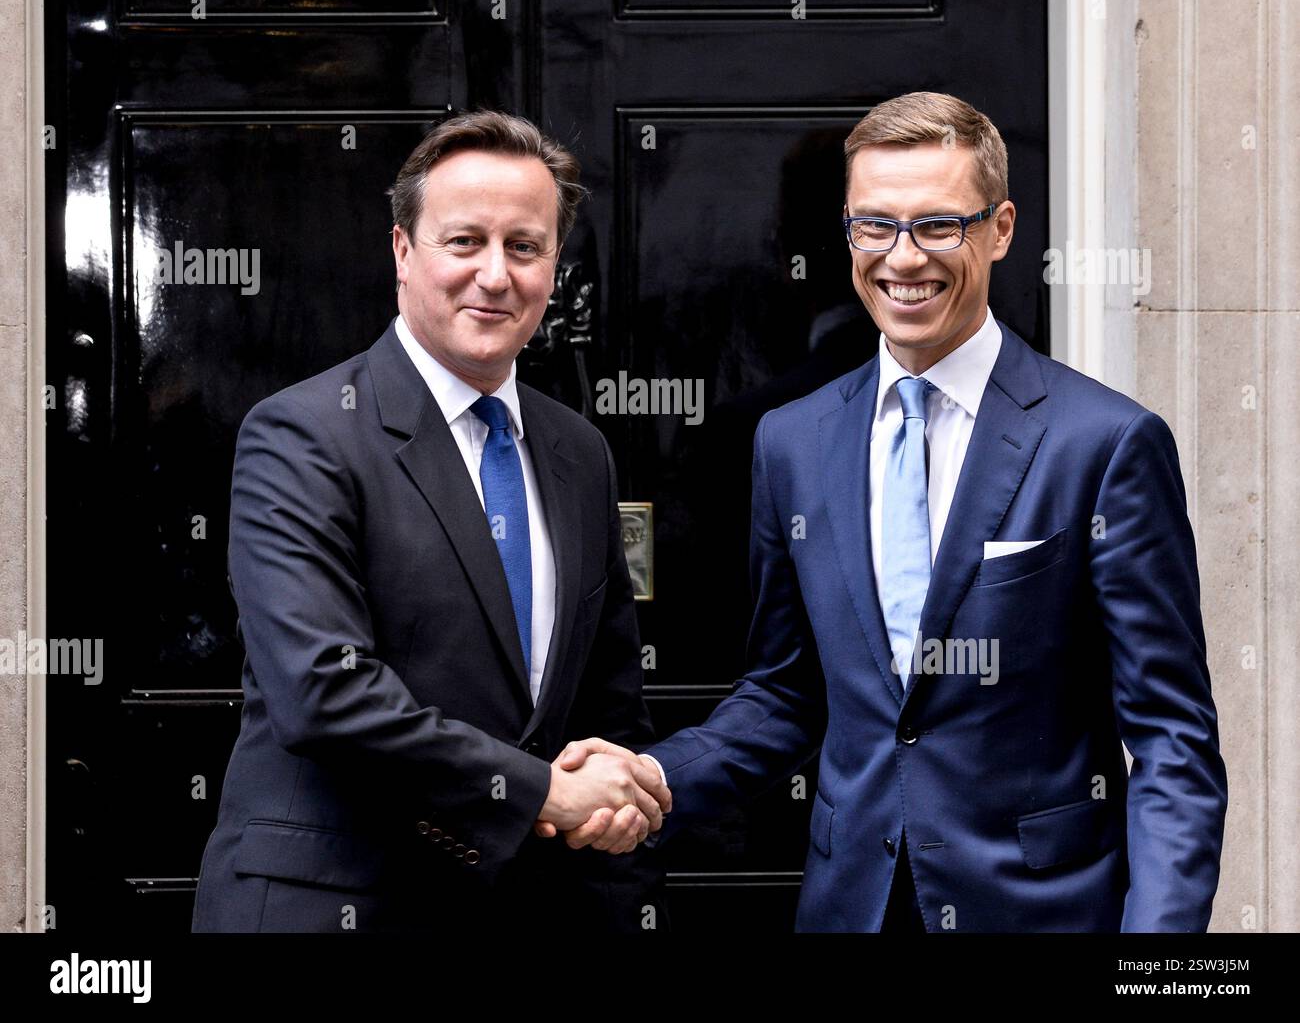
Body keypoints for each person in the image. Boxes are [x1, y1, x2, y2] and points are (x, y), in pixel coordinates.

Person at [542, 91, 1228, 932]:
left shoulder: (1107, 443)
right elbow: (784, 694)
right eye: (875, 225)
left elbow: (1172, 740)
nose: (904, 257)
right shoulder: (791, 441)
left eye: (939, 224)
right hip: (850, 910)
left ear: (1001, 228)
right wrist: (653, 778)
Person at [192, 110, 670, 933]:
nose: (496, 274)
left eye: (525, 246)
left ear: (554, 266)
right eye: (464, 242)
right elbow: (324, 692)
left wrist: (617, 802)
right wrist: (547, 791)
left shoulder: (577, 451)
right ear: (403, 253)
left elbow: (606, 701)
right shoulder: (303, 433)